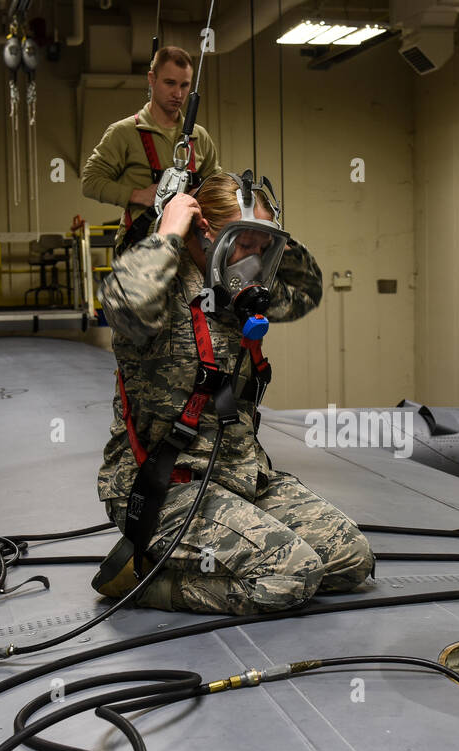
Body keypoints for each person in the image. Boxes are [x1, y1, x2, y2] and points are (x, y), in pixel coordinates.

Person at [92, 171, 374, 614]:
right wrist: (167, 230)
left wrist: (264, 228)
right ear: (203, 233)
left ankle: (210, 561)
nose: (254, 263)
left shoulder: (236, 293)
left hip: (239, 474)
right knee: (292, 574)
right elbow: (125, 307)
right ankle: (142, 582)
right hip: (168, 486)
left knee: (351, 560)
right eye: (244, 246)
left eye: (263, 251)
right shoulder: (158, 291)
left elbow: (306, 291)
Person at [81, 45, 220, 251]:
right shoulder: (124, 133)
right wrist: (138, 195)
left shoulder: (199, 137)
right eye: (170, 83)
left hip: (189, 249)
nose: (178, 93)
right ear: (152, 79)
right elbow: (91, 182)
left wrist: (198, 195)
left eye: (184, 85)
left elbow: (216, 186)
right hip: (140, 247)